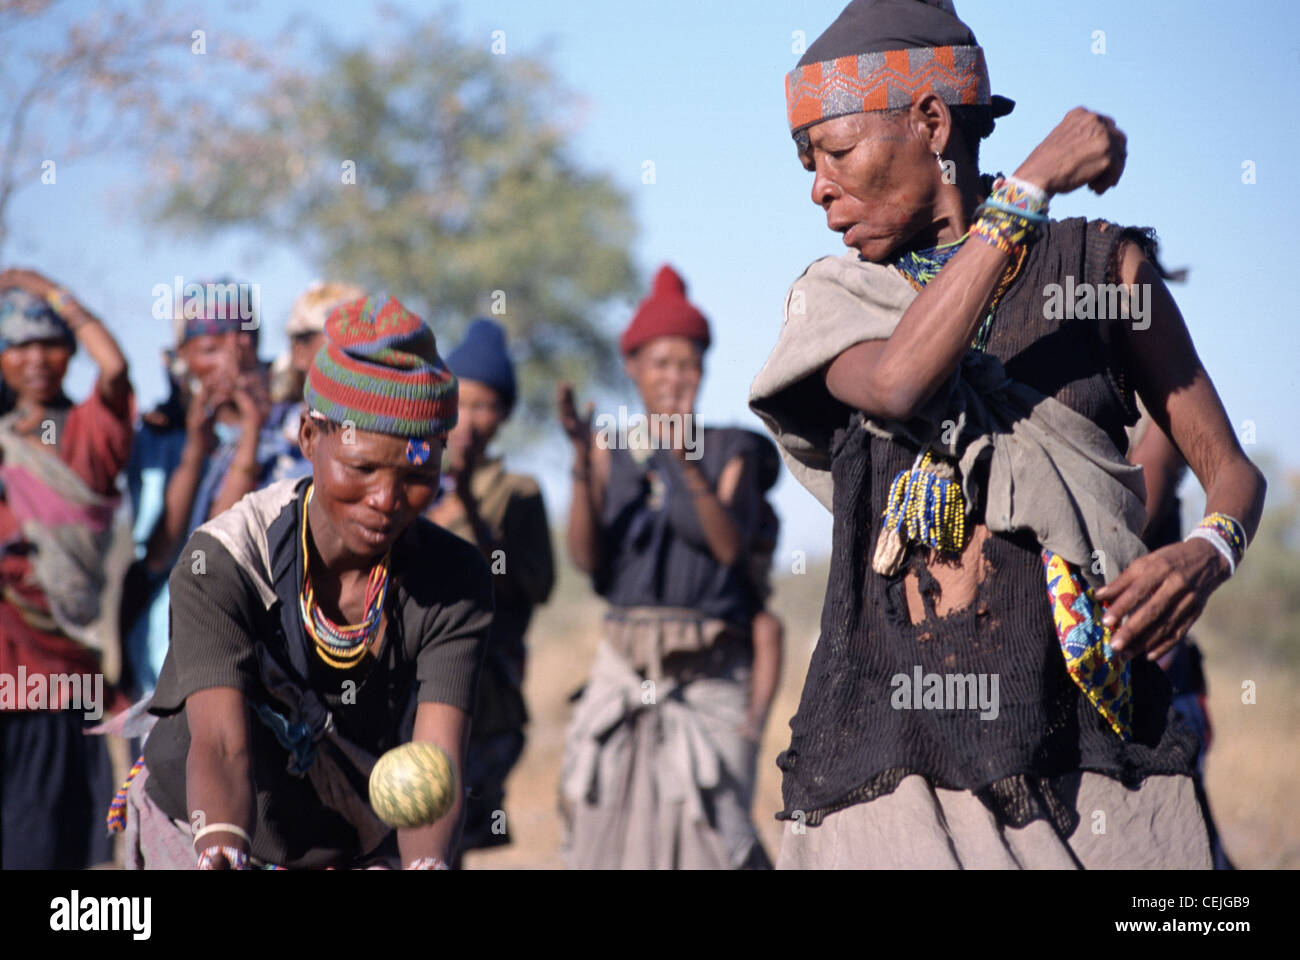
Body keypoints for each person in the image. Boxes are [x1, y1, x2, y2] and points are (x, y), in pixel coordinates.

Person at [750, 0, 1266, 868]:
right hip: (895, 769)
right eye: (809, 165)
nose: (818, 187)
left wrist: (1209, 550)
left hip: (1093, 761)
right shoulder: (835, 300)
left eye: (834, 153)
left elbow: (1232, 472)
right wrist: (1030, 187)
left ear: (930, 121)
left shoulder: (1100, 272)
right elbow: (902, 380)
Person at [113, 293, 492, 870]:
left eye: (417, 474)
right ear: (311, 437)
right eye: (362, 468)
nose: (386, 500)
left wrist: (426, 865)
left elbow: (435, 760)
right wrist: (219, 847)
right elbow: (219, 745)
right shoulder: (224, 560)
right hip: (201, 824)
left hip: (344, 837)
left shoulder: (455, 580)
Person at [559, 264, 778, 869]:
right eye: (661, 363)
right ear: (633, 368)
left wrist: (682, 460)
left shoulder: (732, 449)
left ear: (704, 369)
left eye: (688, 364)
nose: (675, 377)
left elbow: (728, 548)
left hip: (706, 677)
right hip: (624, 672)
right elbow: (586, 559)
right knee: (604, 828)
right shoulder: (608, 451)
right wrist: (580, 465)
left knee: (714, 834)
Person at [0, 268, 134, 868]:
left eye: (50, 342)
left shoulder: (87, 432)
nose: (36, 359)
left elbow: (115, 369)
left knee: (41, 853)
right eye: (17, 345)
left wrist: (42, 284)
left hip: (50, 686)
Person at [122, 277, 301, 700]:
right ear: (181, 360)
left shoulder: (294, 432)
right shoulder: (159, 440)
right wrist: (196, 451)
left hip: (272, 657)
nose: (231, 364)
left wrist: (254, 431)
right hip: (173, 654)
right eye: (210, 349)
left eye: (243, 346)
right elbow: (169, 551)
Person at [427, 317, 555, 864]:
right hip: (407, 685)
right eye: (462, 403)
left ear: (502, 415)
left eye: (486, 407)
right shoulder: (414, 477)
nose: (471, 421)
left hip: (485, 694)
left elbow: (534, 584)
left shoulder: (518, 492)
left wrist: (473, 515)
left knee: (448, 835)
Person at [268, 281, 367, 479]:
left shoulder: (388, 431)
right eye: (341, 344)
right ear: (300, 353)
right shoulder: (269, 440)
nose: (357, 356)